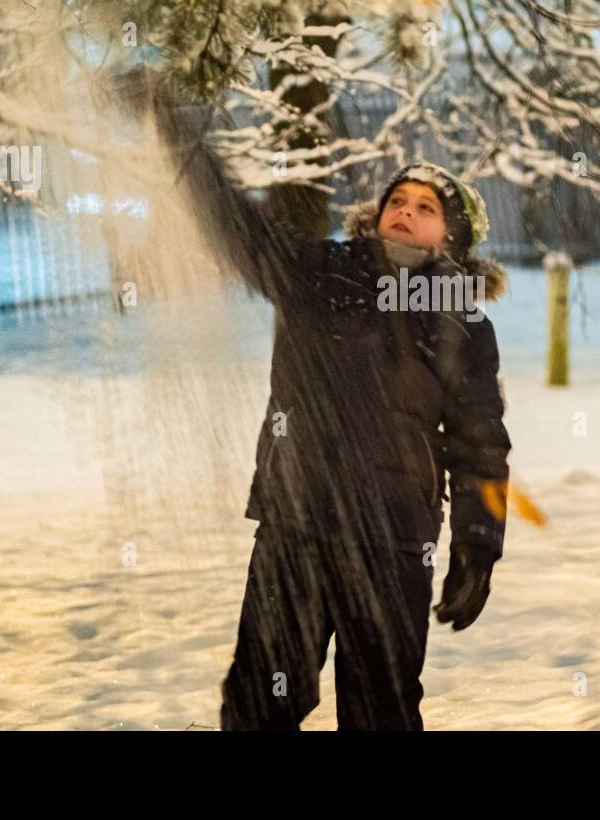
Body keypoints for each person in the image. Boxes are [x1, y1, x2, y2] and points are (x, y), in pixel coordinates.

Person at [146, 92, 512, 731]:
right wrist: (176, 133)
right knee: (260, 703)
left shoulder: (462, 320)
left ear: (452, 237)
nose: (405, 211)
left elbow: (480, 441)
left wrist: (478, 545)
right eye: (398, 200)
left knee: (381, 713)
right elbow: (236, 224)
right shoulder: (319, 271)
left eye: (426, 208)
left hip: (394, 541)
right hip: (298, 525)